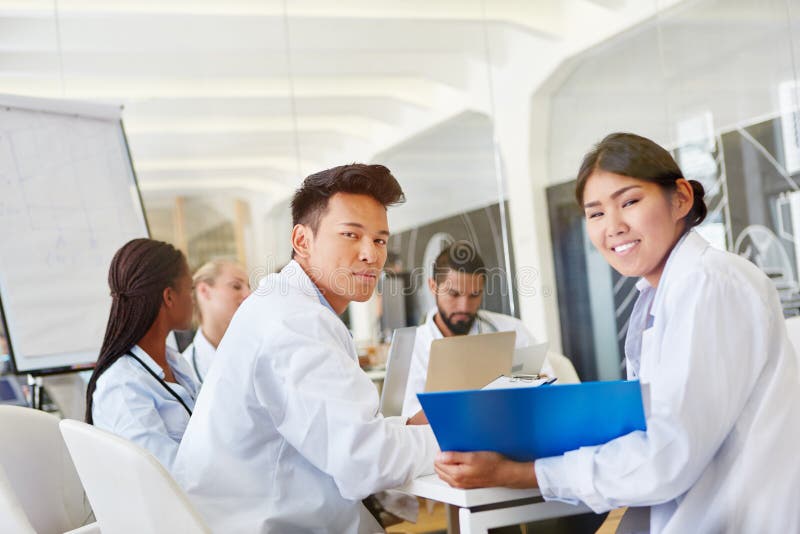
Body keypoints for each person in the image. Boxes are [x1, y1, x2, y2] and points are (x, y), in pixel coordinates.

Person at [434, 132, 800, 533]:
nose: (614, 227)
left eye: (629, 202)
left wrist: (519, 472)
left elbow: (666, 456)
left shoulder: (708, 283)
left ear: (680, 198)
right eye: (595, 214)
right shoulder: (663, 292)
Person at [173, 164, 438, 534]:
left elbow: (343, 433)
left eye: (379, 240)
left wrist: (404, 429)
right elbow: (366, 462)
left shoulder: (284, 301)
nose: (371, 255)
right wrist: (456, 436)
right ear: (302, 241)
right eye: (350, 234)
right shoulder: (295, 320)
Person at [85, 238, 199, 472]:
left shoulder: (176, 362)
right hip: (173, 504)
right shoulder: (121, 386)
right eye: (191, 289)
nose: (193, 298)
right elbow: (163, 476)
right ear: (169, 297)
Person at [400, 242, 548, 417]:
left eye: (474, 295)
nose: (464, 306)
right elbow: (407, 419)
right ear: (433, 287)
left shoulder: (511, 330)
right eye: (454, 294)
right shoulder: (412, 347)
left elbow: (549, 389)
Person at [182, 259, 250, 385]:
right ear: (204, 291)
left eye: (248, 287)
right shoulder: (184, 370)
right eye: (236, 286)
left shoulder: (256, 347)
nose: (248, 294)